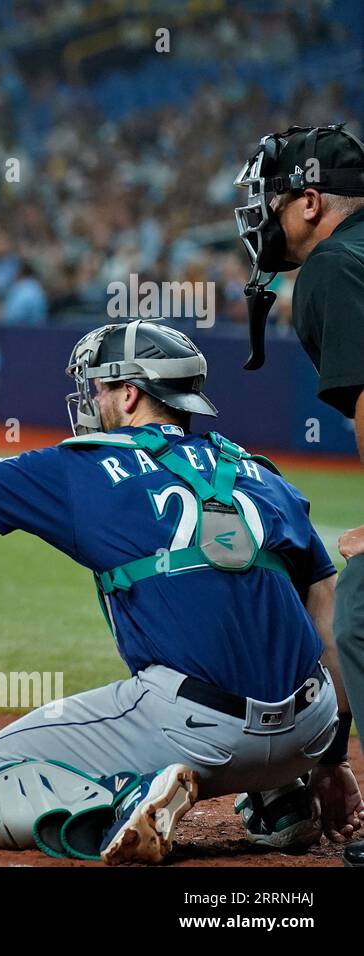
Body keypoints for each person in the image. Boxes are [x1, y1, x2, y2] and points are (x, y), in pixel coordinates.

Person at [0, 318, 358, 863]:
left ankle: (123, 800)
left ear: (130, 394)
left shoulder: (83, 466)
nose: (90, 397)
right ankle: (284, 803)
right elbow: (328, 612)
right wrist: (332, 758)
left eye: (100, 385)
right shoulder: (262, 472)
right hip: (309, 732)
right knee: (251, 627)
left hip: (195, 733)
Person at [235, 123, 364, 864]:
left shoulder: (333, 268)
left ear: (311, 202)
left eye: (273, 200)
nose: (262, 217)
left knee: (363, 608)